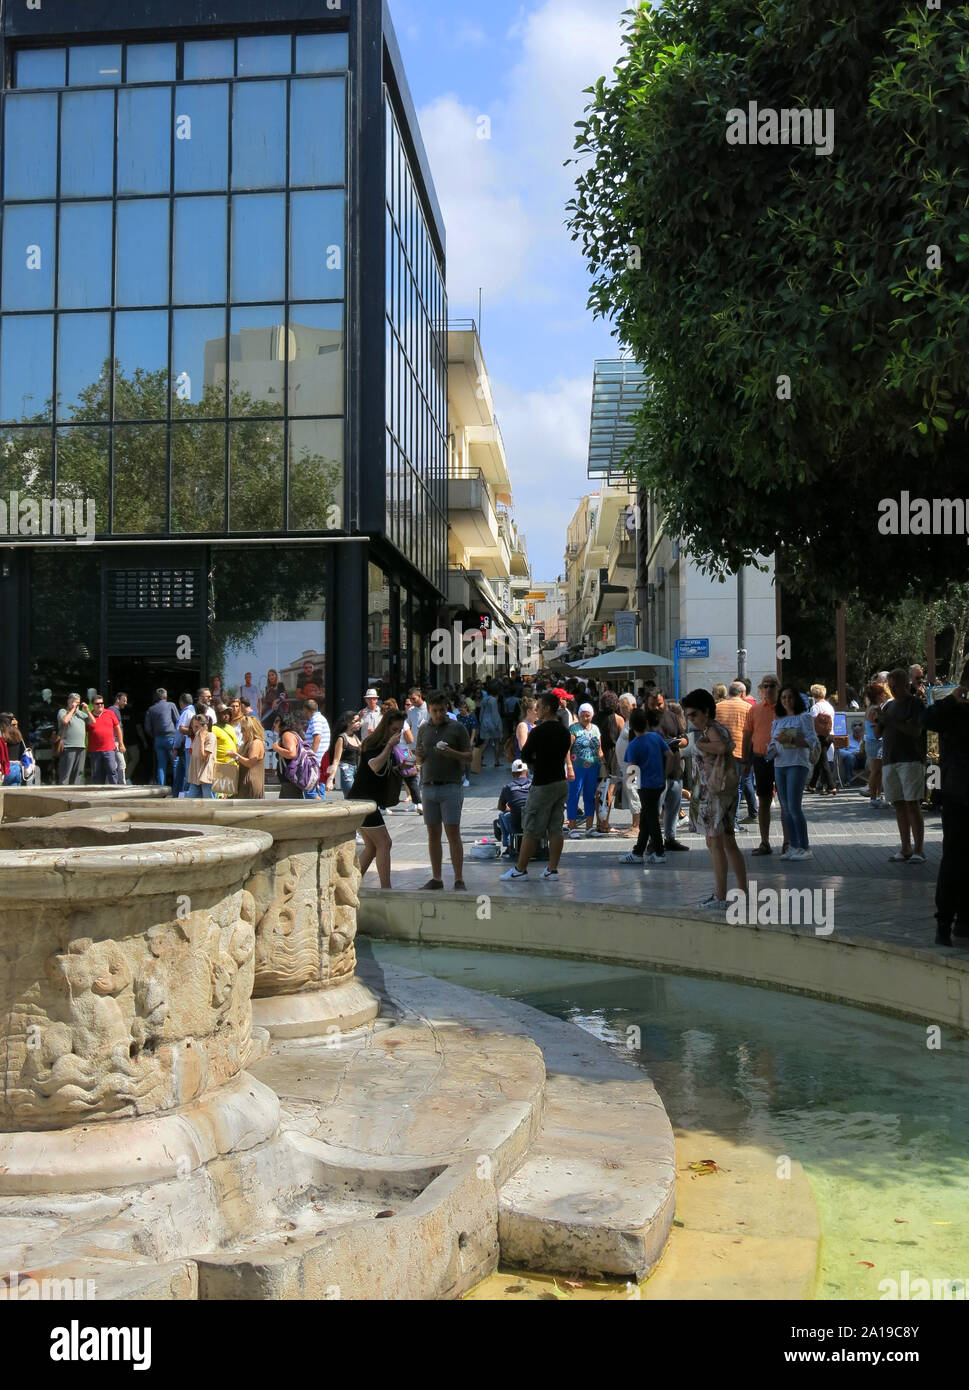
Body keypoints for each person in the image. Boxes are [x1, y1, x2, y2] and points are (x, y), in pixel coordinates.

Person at [681, 688, 747, 911]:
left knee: (715, 843)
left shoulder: (711, 730)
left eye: (693, 715)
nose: (691, 719)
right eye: (688, 715)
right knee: (728, 842)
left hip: (714, 793)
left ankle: (720, 896)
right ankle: (742, 891)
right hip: (723, 791)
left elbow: (721, 747)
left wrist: (700, 745)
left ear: (706, 711)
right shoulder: (716, 728)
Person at [501, 692, 572, 882]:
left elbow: (525, 755)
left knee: (531, 828)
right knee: (556, 828)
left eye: (539, 707)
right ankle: (552, 869)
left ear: (547, 708)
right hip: (560, 781)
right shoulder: (565, 731)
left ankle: (520, 869)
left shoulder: (539, 731)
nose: (537, 710)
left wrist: (537, 757)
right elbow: (564, 752)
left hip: (542, 784)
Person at [921, 668, 969, 946]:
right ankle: (946, 923)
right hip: (957, 794)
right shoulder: (952, 711)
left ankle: (961, 920)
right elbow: (927, 719)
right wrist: (953, 699)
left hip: (956, 791)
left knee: (955, 859)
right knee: (953, 859)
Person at [414, 691, 472, 890]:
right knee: (433, 834)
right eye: (434, 711)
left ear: (447, 708)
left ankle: (458, 878)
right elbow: (419, 760)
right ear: (429, 709)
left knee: (453, 832)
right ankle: (437, 878)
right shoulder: (424, 729)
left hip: (451, 786)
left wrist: (451, 753)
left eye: (441, 710)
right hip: (429, 786)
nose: (438, 714)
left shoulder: (458, 728)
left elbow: (470, 757)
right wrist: (419, 756)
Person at [347, 709, 408, 889]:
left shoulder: (385, 745)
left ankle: (352, 883)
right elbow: (374, 765)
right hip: (363, 800)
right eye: (394, 729)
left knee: (372, 846)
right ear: (386, 727)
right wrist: (390, 746)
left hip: (368, 800)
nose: (397, 734)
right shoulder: (374, 744)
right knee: (384, 842)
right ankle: (386, 888)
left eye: (400, 730)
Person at [873, 667, 927, 864]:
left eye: (895, 685)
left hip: (910, 760)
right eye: (890, 685)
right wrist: (877, 720)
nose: (893, 689)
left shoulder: (915, 704)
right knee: (898, 804)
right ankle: (905, 848)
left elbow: (915, 731)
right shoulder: (889, 706)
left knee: (912, 803)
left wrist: (891, 721)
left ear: (905, 684)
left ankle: (919, 850)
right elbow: (878, 733)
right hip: (890, 759)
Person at [766, 683, 818, 860]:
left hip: (797, 763)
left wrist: (792, 739)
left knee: (795, 807)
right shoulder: (777, 720)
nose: (786, 701)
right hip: (779, 764)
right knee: (786, 808)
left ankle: (804, 847)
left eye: (789, 697)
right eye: (783, 698)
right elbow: (773, 741)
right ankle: (793, 846)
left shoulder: (804, 717)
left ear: (796, 699)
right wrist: (771, 748)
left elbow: (812, 741)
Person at [620, 708, 674, 865]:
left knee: (651, 819)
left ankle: (659, 852)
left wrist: (631, 787)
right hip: (659, 783)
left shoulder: (633, 745)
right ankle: (638, 851)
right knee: (646, 818)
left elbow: (631, 769)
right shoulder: (655, 737)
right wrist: (665, 774)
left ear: (632, 726)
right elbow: (669, 755)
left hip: (645, 786)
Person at [742, 675, 787, 856]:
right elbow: (747, 736)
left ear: (779, 687)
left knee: (785, 802)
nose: (768, 689)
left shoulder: (786, 708)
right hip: (761, 759)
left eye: (772, 686)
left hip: (783, 760)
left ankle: (787, 842)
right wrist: (745, 760)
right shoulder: (755, 709)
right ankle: (764, 842)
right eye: (765, 686)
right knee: (764, 801)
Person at [648, 690, 691, 852]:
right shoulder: (645, 720)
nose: (657, 707)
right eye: (654, 705)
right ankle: (653, 840)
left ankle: (670, 838)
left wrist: (679, 742)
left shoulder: (672, 717)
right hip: (655, 770)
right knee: (655, 807)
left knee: (674, 806)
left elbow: (685, 739)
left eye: (660, 704)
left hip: (674, 768)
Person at [717, 680, 757, 829]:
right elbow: (753, 732)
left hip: (720, 753)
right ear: (743, 693)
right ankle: (732, 822)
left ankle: (723, 820)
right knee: (738, 788)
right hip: (740, 752)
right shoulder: (748, 707)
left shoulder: (718, 707)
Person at [565, 703, 602, 838]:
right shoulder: (573, 729)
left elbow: (599, 749)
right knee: (573, 795)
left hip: (593, 767)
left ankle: (589, 827)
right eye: (583, 715)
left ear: (592, 715)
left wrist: (602, 763)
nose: (585, 718)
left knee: (590, 796)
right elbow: (567, 749)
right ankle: (572, 827)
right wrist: (569, 766)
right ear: (579, 715)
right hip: (577, 767)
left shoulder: (596, 729)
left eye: (588, 715)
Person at [272, 712, 317, 801]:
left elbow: (291, 753)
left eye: (277, 721)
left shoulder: (287, 735)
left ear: (284, 722)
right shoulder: (291, 734)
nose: (274, 724)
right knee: (283, 809)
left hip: (290, 781)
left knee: (293, 809)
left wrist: (276, 748)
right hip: (288, 781)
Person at [614, 693, 641, 840]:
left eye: (624, 706)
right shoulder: (628, 720)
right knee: (631, 792)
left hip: (632, 765)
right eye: (620, 706)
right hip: (627, 765)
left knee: (633, 791)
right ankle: (634, 823)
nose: (622, 709)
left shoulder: (635, 721)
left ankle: (637, 826)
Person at [144, 687, 181, 788]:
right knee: (175, 763)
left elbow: (147, 728)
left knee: (161, 765)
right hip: (170, 738)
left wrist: (154, 735)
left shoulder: (151, 709)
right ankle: (177, 788)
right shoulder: (171, 705)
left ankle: (161, 789)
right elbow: (178, 721)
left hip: (158, 739)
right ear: (166, 697)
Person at [496, 759, 533, 857]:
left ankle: (508, 845)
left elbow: (500, 807)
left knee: (502, 815)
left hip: (517, 824)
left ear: (513, 774)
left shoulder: (508, 787)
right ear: (527, 772)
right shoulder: (534, 784)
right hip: (534, 821)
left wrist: (514, 809)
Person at [806, 683, 837, 795]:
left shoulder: (815, 707)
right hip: (830, 735)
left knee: (823, 761)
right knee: (819, 761)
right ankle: (812, 785)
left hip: (820, 736)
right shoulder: (830, 706)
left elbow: (811, 723)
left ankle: (831, 786)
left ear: (814, 695)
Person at [86, 695, 124, 784]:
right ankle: (99, 794)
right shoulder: (89, 717)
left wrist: (121, 743)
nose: (100, 705)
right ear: (93, 705)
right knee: (97, 774)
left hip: (109, 748)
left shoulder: (110, 713)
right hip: (94, 750)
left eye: (102, 703)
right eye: (97, 703)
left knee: (112, 771)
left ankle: (114, 792)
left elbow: (118, 729)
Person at [863, 681, 889, 807]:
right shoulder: (875, 709)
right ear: (878, 695)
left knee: (878, 771)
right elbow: (877, 729)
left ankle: (878, 796)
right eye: (883, 693)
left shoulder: (871, 708)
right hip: (876, 743)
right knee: (876, 771)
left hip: (873, 742)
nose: (885, 695)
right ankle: (874, 797)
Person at [57, 693, 92, 786]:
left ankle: (75, 792)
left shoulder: (81, 714)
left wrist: (87, 710)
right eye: (74, 702)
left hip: (81, 747)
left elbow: (93, 722)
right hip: (68, 747)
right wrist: (72, 709)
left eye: (78, 703)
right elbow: (65, 721)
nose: (76, 705)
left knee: (78, 773)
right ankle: (63, 794)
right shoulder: (63, 711)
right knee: (66, 773)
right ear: (69, 701)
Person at [326, 711, 363, 796]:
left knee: (357, 800)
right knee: (351, 797)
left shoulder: (355, 737)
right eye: (356, 721)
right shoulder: (342, 738)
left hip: (356, 771)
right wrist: (330, 780)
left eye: (359, 721)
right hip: (346, 772)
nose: (359, 723)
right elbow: (336, 761)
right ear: (348, 723)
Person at [303, 699, 330, 801]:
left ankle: (321, 807)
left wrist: (311, 756)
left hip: (316, 761)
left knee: (310, 789)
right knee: (318, 788)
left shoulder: (316, 719)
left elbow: (317, 737)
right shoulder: (320, 718)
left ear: (306, 709)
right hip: (320, 760)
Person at [233, 715, 266, 800]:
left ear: (251, 729)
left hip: (250, 784)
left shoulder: (256, 743)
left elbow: (251, 763)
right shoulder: (246, 743)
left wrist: (236, 756)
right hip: (243, 782)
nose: (241, 732)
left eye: (243, 729)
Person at [185, 713, 216, 798]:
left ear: (204, 726)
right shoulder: (196, 736)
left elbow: (203, 756)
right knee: (191, 800)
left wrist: (202, 740)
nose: (194, 729)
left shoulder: (211, 737)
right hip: (196, 775)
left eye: (197, 727)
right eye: (193, 726)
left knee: (208, 801)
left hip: (205, 774)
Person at [476, 683, 503, 767]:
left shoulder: (484, 699)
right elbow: (495, 714)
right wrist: (498, 724)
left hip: (484, 721)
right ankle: (497, 761)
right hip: (493, 723)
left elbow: (481, 712)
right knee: (497, 742)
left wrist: (481, 721)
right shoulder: (493, 700)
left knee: (485, 742)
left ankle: (477, 760)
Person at [110, 693, 131, 784]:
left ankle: (113, 785)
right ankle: (121, 785)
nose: (126, 703)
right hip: (115, 741)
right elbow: (115, 728)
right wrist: (121, 743)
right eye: (124, 700)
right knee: (121, 764)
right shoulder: (113, 710)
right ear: (117, 700)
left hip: (115, 741)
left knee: (115, 764)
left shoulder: (115, 710)